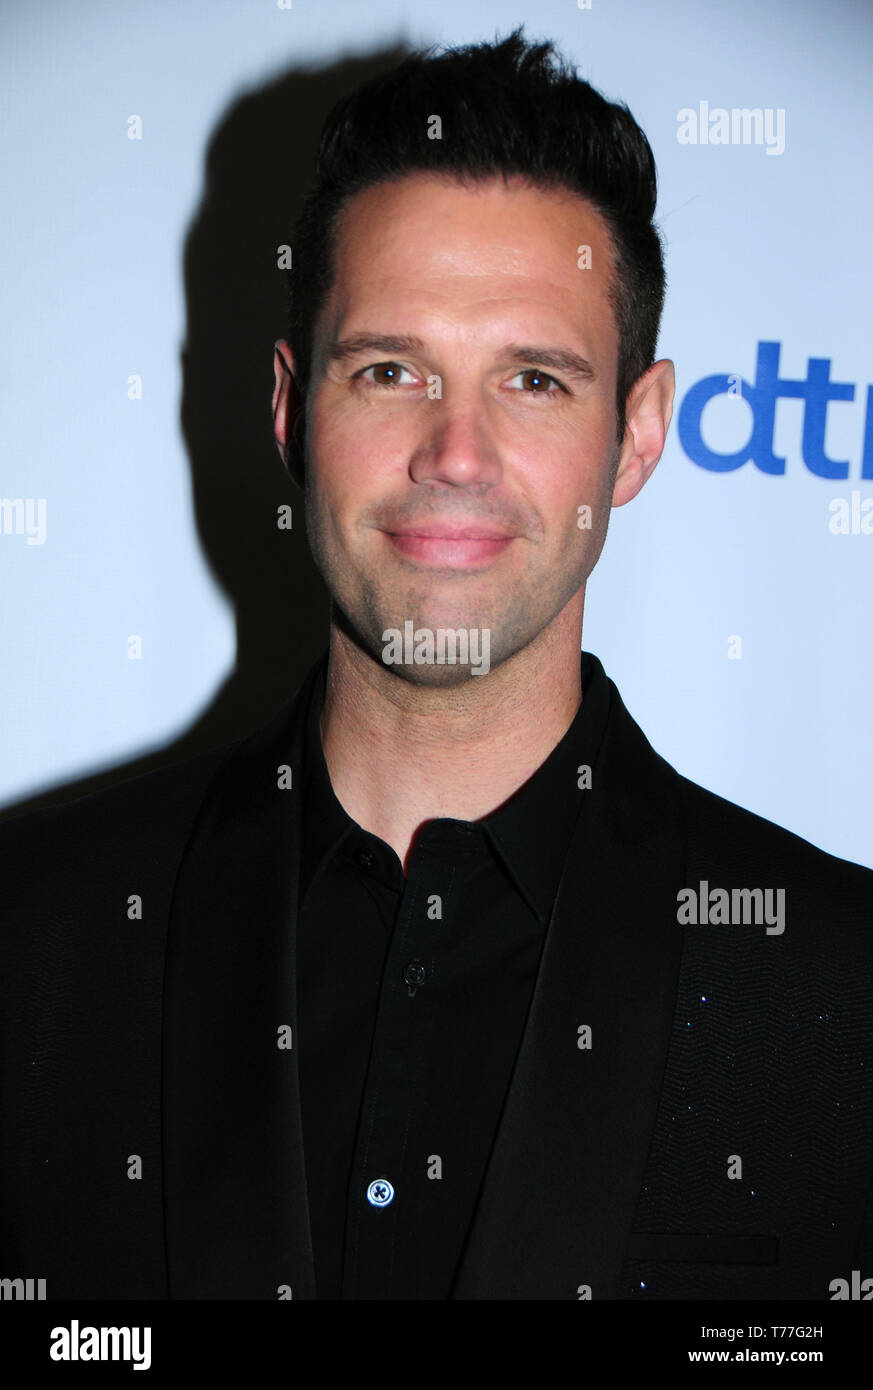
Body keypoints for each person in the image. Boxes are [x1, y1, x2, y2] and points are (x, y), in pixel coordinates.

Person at [1, 27, 871, 1303]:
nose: (454, 452)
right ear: (295, 408)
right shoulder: (36, 934)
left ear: (636, 435)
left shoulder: (838, 990)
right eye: (391, 368)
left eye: (532, 378)